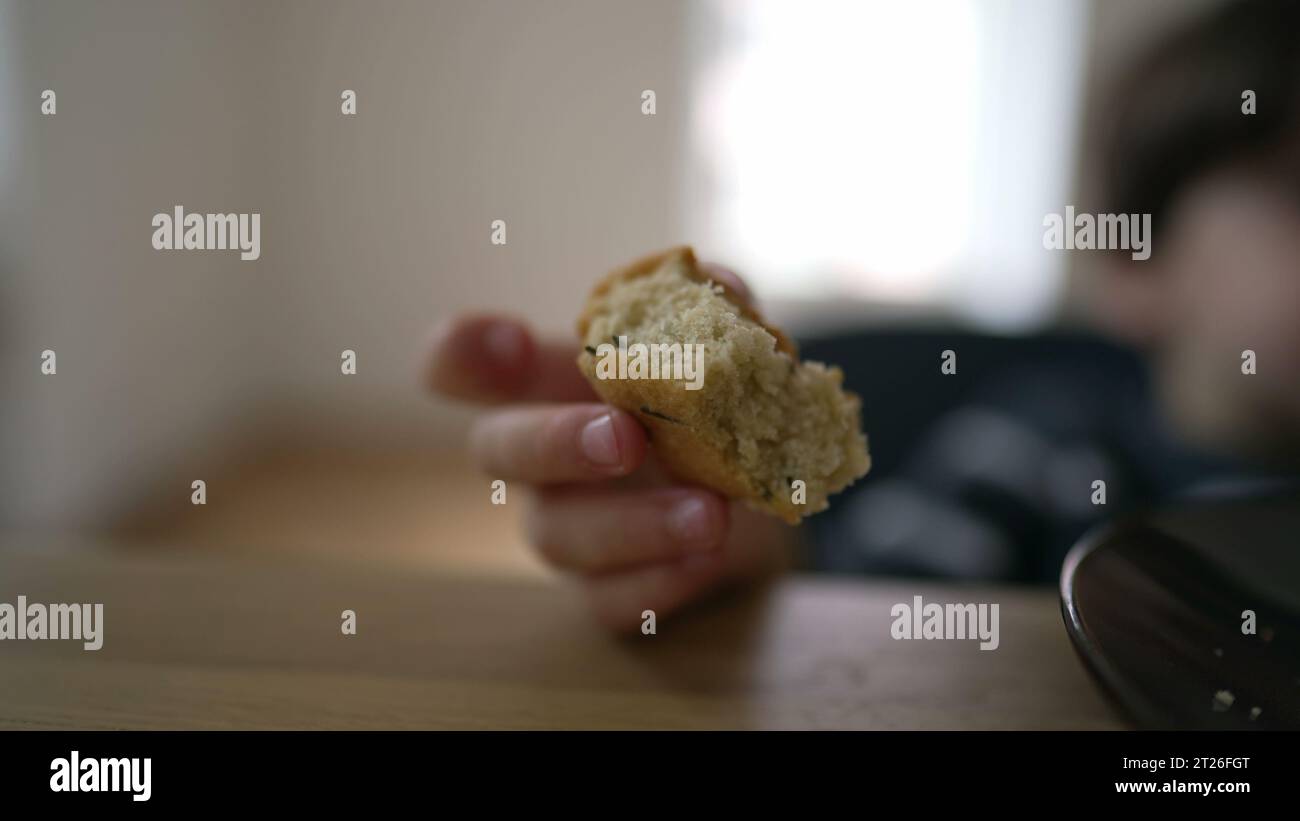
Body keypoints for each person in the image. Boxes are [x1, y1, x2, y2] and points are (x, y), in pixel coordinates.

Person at [425, 0, 1300, 631]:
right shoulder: (1041, 456)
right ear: (1137, 264)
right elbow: (878, 613)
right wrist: (749, 558)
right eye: (1291, 191)